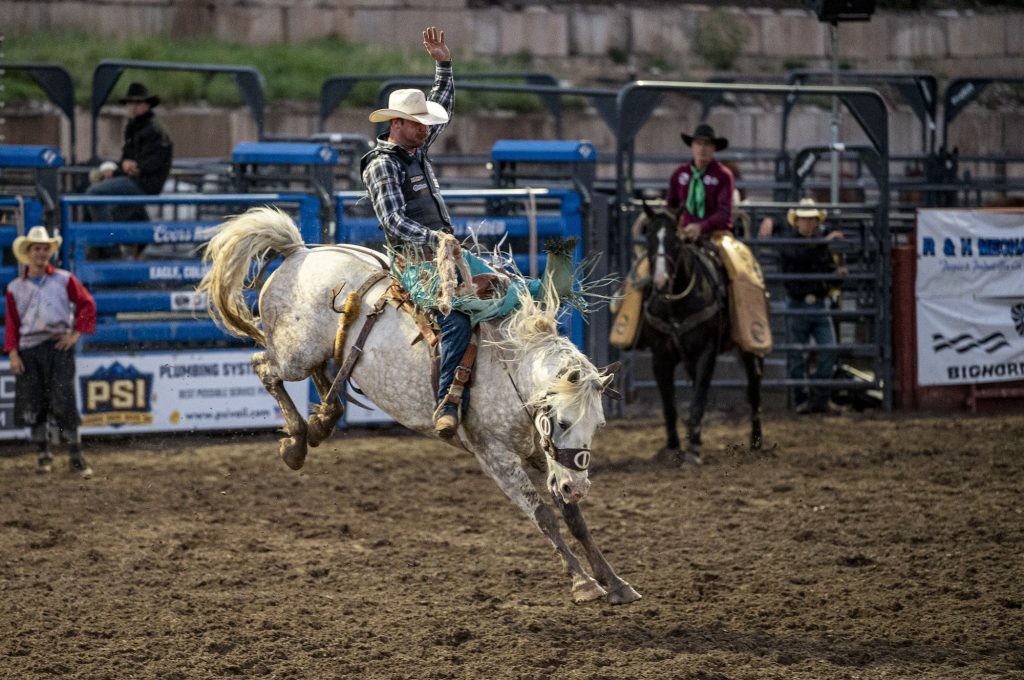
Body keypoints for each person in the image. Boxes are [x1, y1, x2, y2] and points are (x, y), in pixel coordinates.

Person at [359, 27, 469, 440]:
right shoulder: (383, 165)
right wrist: (437, 240)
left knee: (504, 293)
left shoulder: (414, 147)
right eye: (420, 122)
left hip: (445, 252)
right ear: (399, 124)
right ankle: (448, 402)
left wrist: (443, 64)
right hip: (415, 261)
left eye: (426, 123)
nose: (428, 127)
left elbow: (442, 104)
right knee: (456, 316)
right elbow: (393, 223)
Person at [666, 123, 772, 356]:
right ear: (692, 146)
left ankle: (747, 324)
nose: (702, 149)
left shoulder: (723, 175)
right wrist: (680, 226)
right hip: (683, 234)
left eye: (707, 145)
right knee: (651, 266)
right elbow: (671, 206)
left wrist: (701, 227)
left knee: (740, 271)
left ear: (714, 149)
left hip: (716, 234)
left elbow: (725, 212)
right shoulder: (680, 175)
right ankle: (638, 324)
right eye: (698, 144)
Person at [5, 226, 97, 477]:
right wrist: (13, 353)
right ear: (28, 252)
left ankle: (75, 453)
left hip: (58, 346)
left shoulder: (64, 279)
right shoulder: (15, 287)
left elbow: (86, 304)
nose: (42, 253)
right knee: (34, 401)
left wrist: (75, 335)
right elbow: (12, 322)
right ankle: (43, 452)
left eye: (45, 249)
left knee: (64, 399)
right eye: (37, 249)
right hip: (29, 350)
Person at [774, 198, 847, 414]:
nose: (808, 223)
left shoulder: (817, 244)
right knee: (797, 355)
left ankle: (816, 399)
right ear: (797, 222)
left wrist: (837, 277)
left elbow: (827, 270)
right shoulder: (792, 244)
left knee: (828, 351)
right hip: (798, 304)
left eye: (811, 220)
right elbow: (799, 255)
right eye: (804, 220)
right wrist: (824, 242)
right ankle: (804, 400)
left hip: (817, 303)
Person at [86, 82, 173, 223]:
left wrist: (131, 167)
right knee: (114, 216)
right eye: (130, 103)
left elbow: (152, 163)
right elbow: (127, 158)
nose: (133, 106)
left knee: (94, 193)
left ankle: (106, 241)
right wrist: (119, 170)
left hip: (145, 183)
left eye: (138, 103)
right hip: (137, 181)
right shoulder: (135, 127)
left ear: (147, 105)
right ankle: (106, 241)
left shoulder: (154, 130)